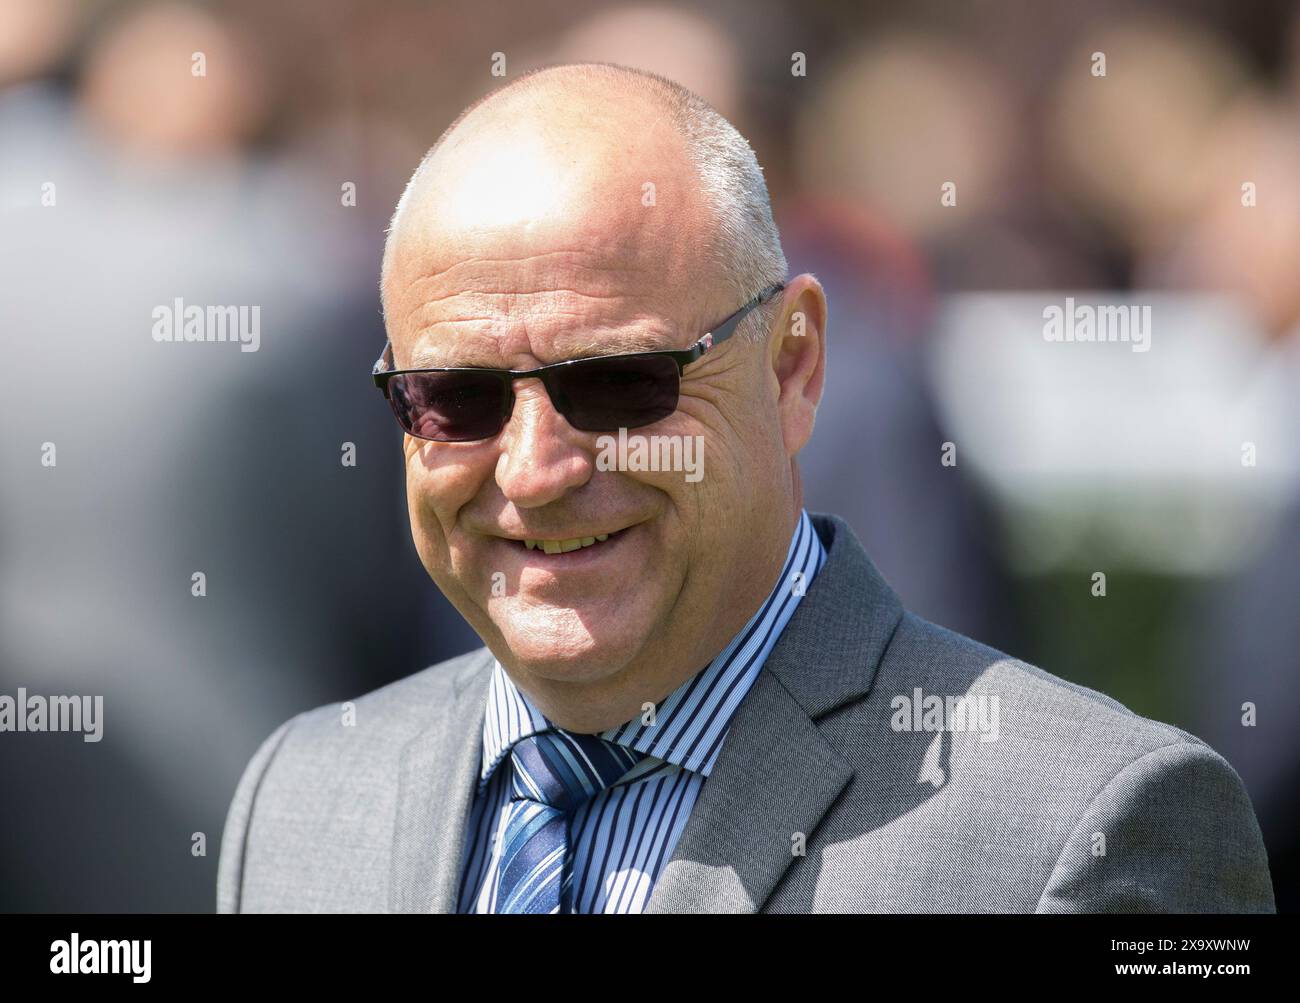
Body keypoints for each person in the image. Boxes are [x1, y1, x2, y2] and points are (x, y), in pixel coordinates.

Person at [216, 62, 1274, 913]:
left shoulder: (1084, 822)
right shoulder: (303, 800)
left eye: (619, 384)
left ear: (791, 365)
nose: (533, 470)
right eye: (455, 398)